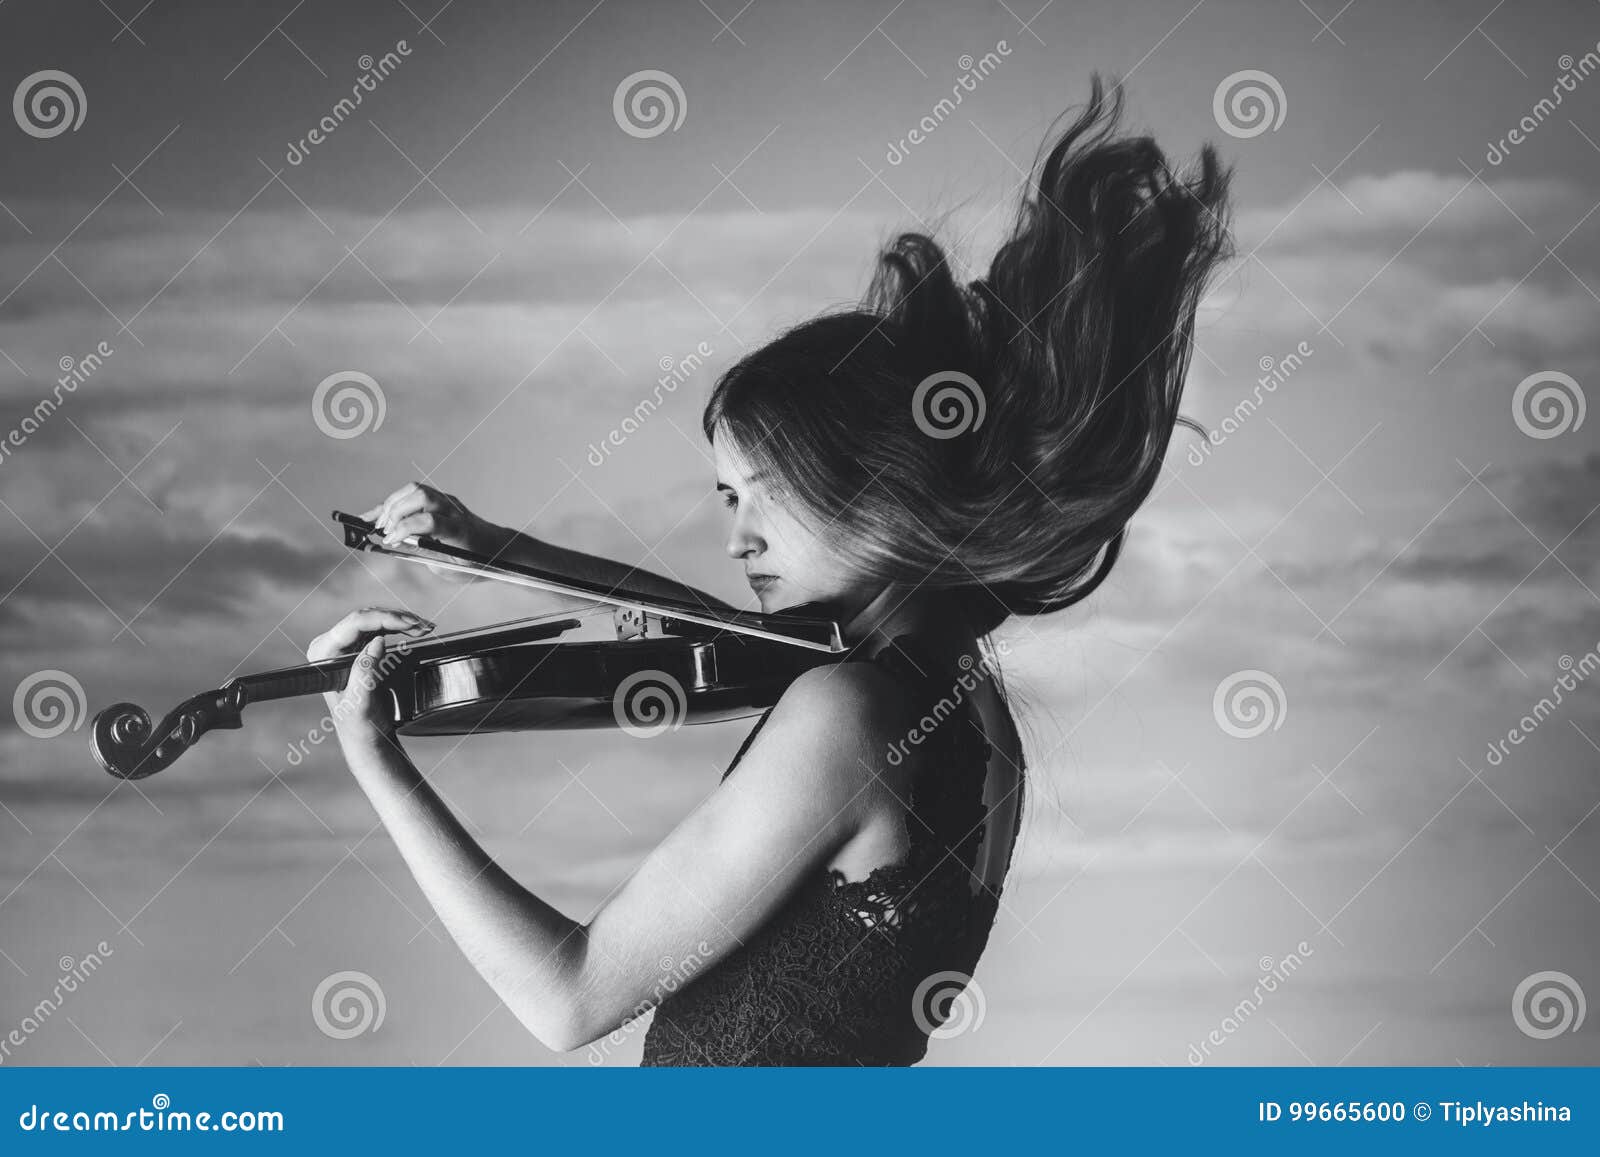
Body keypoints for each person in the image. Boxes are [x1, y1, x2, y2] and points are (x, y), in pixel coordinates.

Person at [306, 73, 1235, 1064]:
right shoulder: (962, 708)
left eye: (765, 491)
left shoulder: (846, 711)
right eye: (724, 497)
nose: (739, 535)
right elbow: (727, 639)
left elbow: (564, 996)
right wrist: (498, 552)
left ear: (879, 487)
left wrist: (376, 757)